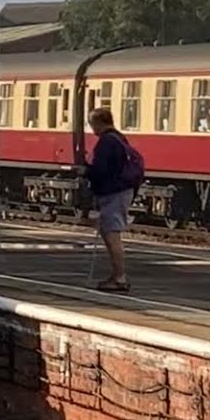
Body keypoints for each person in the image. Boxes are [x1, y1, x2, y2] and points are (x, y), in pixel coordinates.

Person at [80, 107, 137, 292]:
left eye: (92, 124)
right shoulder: (119, 138)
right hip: (119, 190)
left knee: (112, 233)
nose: (91, 129)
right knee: (109, 231)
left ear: (98, 123)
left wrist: (86, 171)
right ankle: (117, 276)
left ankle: (119, 277)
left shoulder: (107, 142)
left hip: (115, 192)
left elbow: (101, 169)